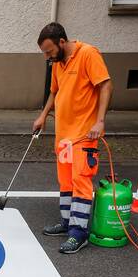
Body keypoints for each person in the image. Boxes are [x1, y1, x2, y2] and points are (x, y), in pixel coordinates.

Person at [32, 23, 113, 254]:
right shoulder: (58, 63)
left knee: (81, 182)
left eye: (49, 51)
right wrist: (43, 115)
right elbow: (54, 91)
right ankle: (68, 223)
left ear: (61, 42)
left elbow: (106, 85)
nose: (47, 57)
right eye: (44, 53)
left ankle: (79, 234)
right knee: (66, 182)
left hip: (84, 135)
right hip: (64, 136)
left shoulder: (88, 54)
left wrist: (100, 121)